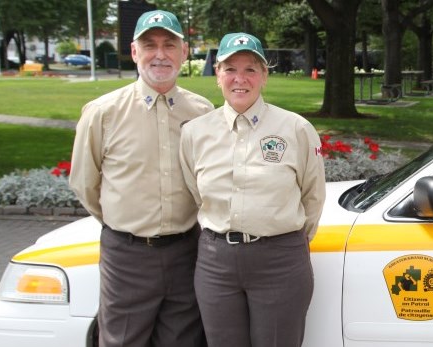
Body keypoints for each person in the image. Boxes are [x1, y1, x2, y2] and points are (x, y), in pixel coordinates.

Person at [69, 9, 214, 347]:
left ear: (183, 52)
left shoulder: (203, 112)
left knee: (183, 340)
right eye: (149, 45)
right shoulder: (103, 113)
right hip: (127, 256)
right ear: (134, 52)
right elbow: (85, 183)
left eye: (169, 45)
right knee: (123, 340)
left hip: (186, 250)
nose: (160, 54)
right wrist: (125, 223)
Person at [178, 32, 325, 347]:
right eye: (230, 69)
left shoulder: (296, 129)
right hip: (216, 264)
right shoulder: (194, 133)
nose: (239, 79)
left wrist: (282, 243)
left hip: (279, 262)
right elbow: (195, 192)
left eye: (250, 69)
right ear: (217, 75)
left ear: (264, 76)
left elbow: (313, 197)